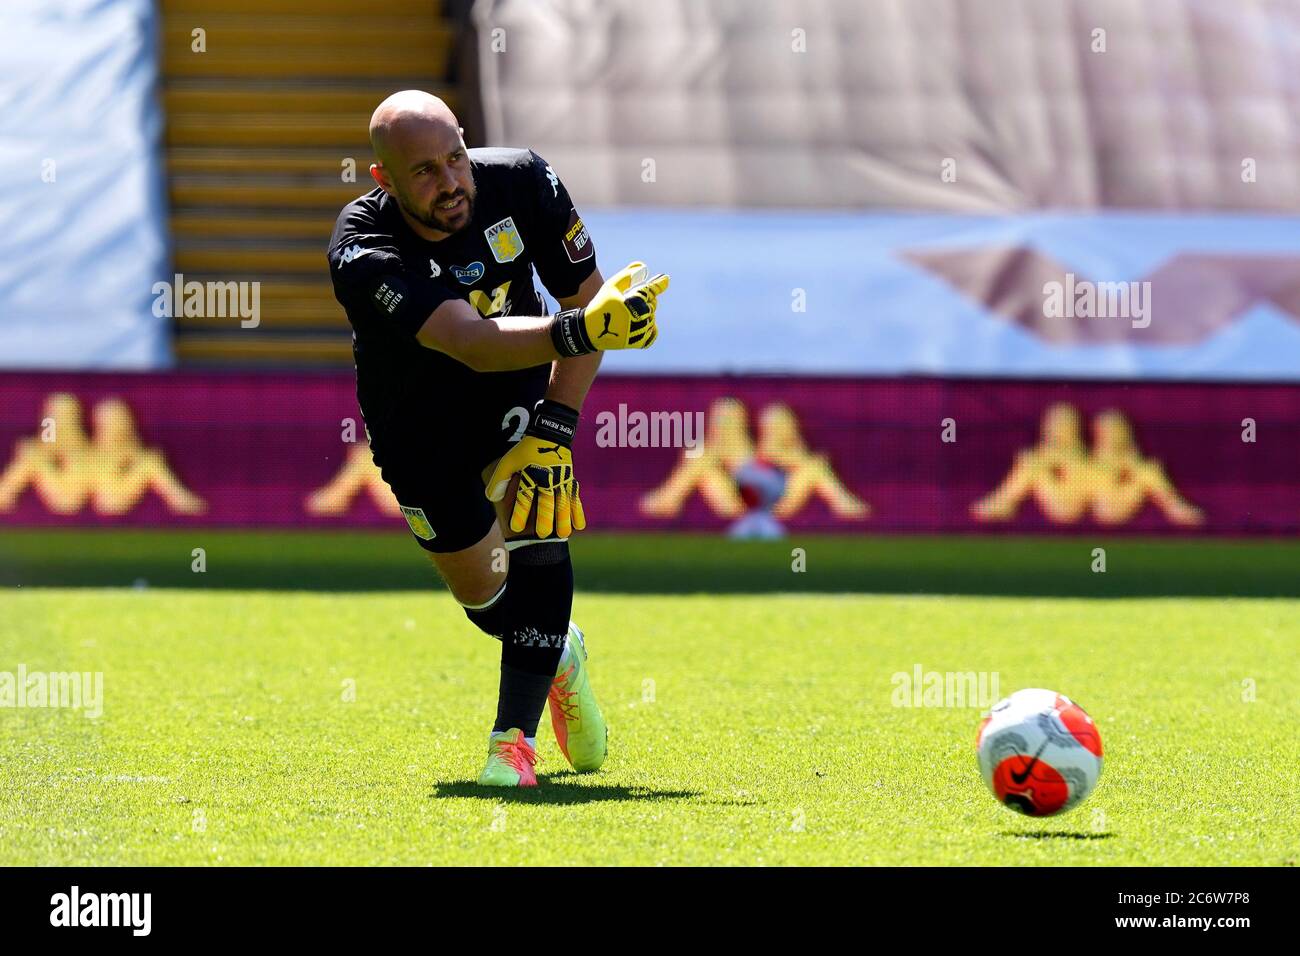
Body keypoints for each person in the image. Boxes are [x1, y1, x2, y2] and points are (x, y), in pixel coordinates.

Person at [327, 91, 670, 787]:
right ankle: (561, 656)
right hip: (418, 426)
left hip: (515, 395)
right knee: (488, 602)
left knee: (540, 532)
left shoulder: (523, 181)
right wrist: (580, 330)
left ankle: (511, 745)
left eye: (456, 157)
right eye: (424, 171)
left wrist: (555, 428)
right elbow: (470, 341)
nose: (450, 182)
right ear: (384, 180)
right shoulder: (362, 248)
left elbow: (587, 303)